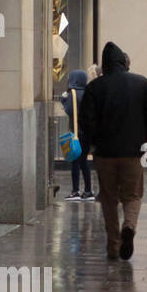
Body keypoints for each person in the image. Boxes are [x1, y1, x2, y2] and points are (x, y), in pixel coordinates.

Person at [79, 42, 147, 261]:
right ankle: (130, 226)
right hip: (131, 152)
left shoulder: (94, 88)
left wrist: (94, 143)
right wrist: (140, 137)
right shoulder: (140, 83)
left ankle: (114, 245)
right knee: (133, 195)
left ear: (105, 64)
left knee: (108, 198)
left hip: (104, 154)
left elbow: (86, 123)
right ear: (123, 63)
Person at [61, 69, 94, 201]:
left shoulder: (73, 94)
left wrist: (64, 100)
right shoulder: (88, 92)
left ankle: (76, 191)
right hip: (87, 132)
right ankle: (87, 190)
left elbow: (69, 111)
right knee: (84, 160)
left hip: (76, 133)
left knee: (75, 161)